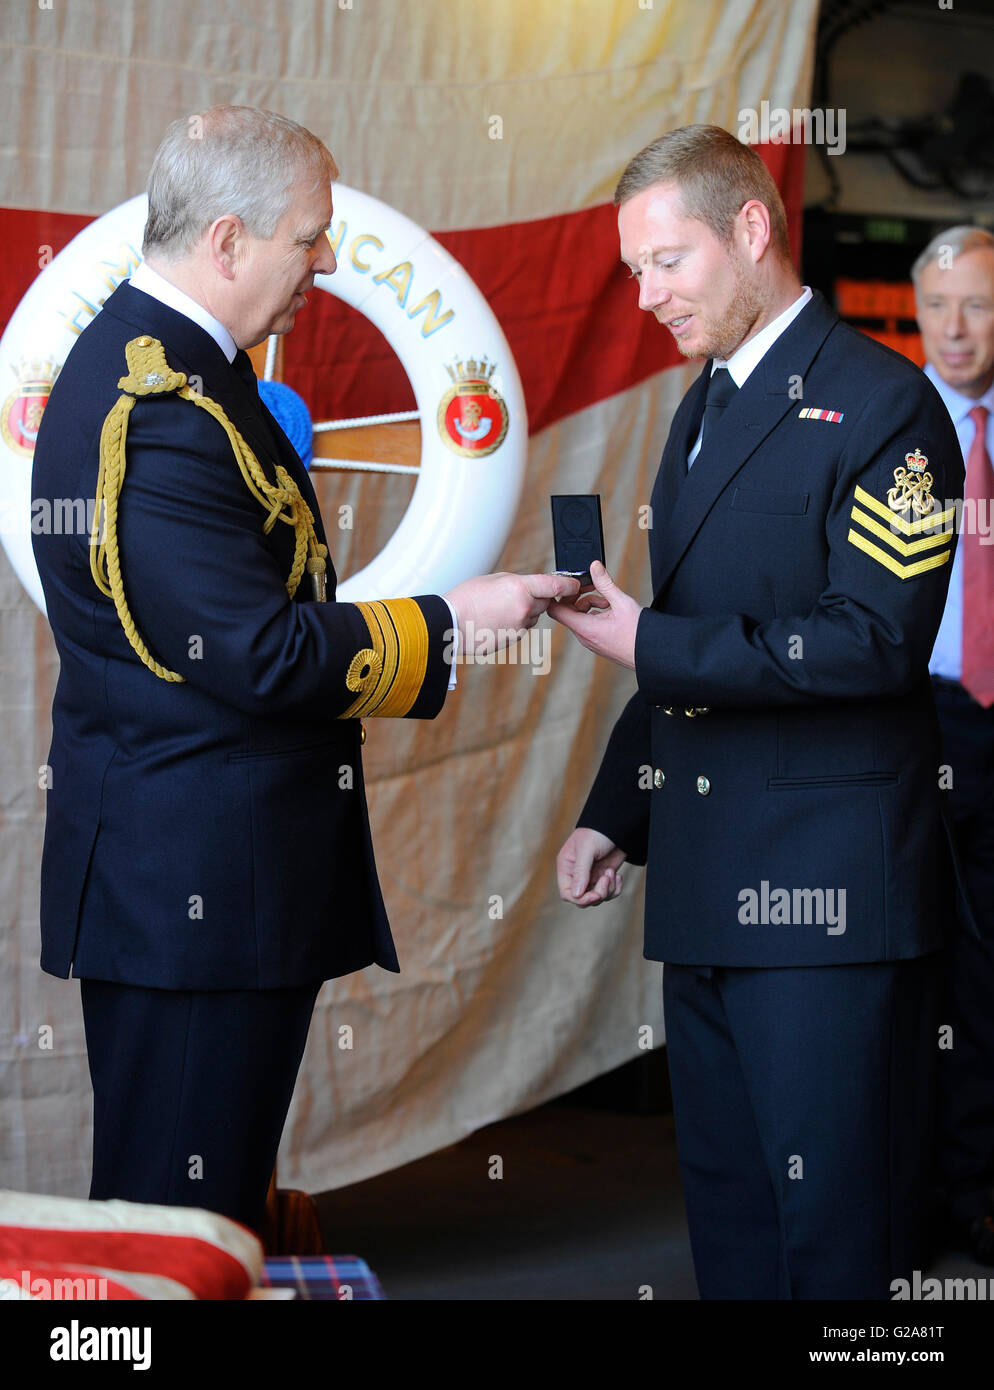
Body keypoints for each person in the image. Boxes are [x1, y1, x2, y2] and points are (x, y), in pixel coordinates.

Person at [31, 105, 576, 1234]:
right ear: (227, 241)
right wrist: (452, 617)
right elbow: (260, 652)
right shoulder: (163, 407)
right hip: (195, 888)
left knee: (201, 1209)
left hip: (200, 876)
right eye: (310, 238)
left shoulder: (180, 370)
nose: (326, 265)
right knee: (178, 1227)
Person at [550, 124, 963, 1299]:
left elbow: (873, 641)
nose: (647, 298)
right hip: (709, 891)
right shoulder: (704, 407)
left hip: (830, 909)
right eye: (633, 271)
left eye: (666, 262)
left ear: (749, 228)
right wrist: (613, 814)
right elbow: (684, 642)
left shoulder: (886, 409)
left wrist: (645, 638)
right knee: (733, 1235)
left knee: (838, 1247)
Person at [914, 225, 994, 1265]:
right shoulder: (888, 423)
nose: (957, 328)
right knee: (911, 965)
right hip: (915, 718)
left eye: (978, 303)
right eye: (938, 306)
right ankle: (909, 1196)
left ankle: (974, 1194)